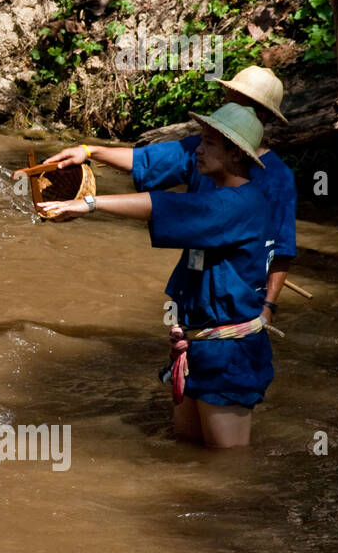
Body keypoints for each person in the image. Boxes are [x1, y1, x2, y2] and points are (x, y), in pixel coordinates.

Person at [36, 105, 275, 448]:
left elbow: (165, 206)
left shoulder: (236, 204)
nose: (197, 150)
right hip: (198, 344)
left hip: (229, 354)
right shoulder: (221, 194)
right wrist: (89, 151)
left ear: (236, 154)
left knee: (227, 466)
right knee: (186, 450)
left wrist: (90, 204)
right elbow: (152, 166)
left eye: (208, 143)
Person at [41, 65, 296, 325]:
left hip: (228, 306)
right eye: (228, 97)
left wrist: (268, 307)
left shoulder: (267, 182)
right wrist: (89, 151)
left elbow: (280, 249)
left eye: (239, 102)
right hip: (195, 291)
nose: (227, 105)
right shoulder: (206, 152)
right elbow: (148, 161)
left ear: (261, 116)